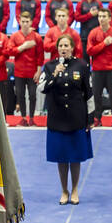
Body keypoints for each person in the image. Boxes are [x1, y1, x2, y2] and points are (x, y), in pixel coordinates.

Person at [42, 33, 93, 204]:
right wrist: (54, 74)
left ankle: (75, 190)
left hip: (76, 117)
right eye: (61, 46)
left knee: (75, 157)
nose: (63, 49)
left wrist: (90, 118)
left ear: (72, 48)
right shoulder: (49, 67)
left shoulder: (82, 65)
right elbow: (42, 88)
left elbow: (89, 93)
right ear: (57, 49)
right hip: (57, 118)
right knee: (61, 157)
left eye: (66, 46)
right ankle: (64, 191)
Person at [86, 7, 112, 126]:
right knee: (97, 96)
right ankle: (97, 118)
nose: (101, 19)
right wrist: (104, 44)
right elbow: (89, 51)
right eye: (99, 16)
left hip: (111, 69)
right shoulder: (93, 32)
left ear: (109, 18)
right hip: (97, 70)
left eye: (104, 17)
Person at [8, 8, 44, 124]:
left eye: (27, 21)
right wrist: (23, 47)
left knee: (33, 95)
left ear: (31, 22)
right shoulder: (14, 36)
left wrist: (38, 71)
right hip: (19, 72)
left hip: (32, 71)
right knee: (20, 95)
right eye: (22, 21)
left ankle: (32, 118)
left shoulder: (37, 37)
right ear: (19, 21)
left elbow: (40, 56)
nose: (24, 24)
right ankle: (23, 118)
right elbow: (9, 52)